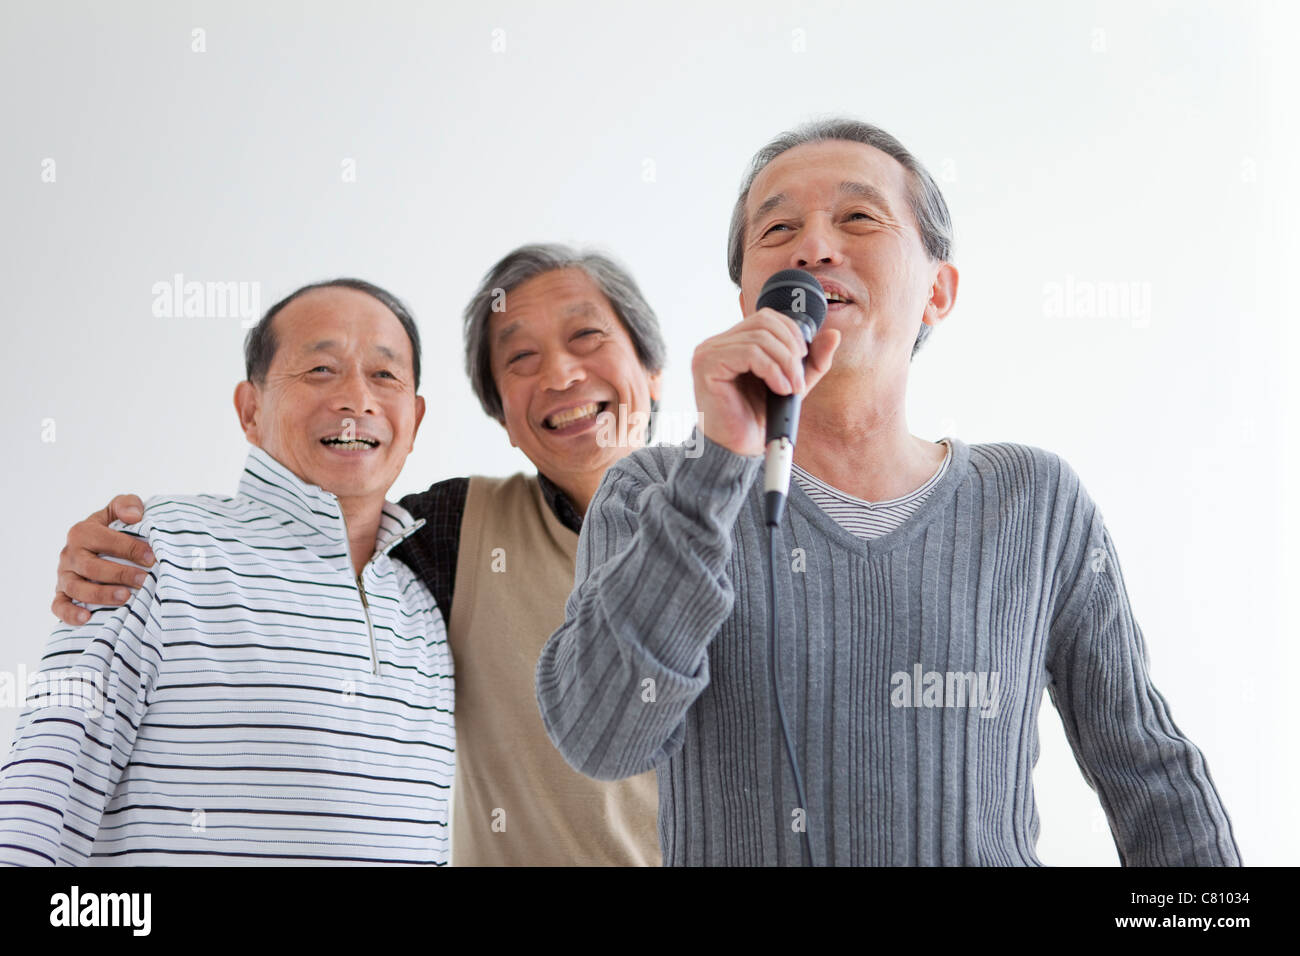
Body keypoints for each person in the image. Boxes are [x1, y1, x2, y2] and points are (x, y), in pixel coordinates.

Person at [535, 118, 1242, 866]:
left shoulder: (1036, 503)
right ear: (748, 295)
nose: (813, 247)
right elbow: (603, 737)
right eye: (777, 228)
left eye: (858, 217)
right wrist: (718, 466)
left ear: (939, 291)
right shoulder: (651, 491)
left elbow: (1149, 771)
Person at [48, 245, 667, 866]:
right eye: (521, 358)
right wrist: (121, 546)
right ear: (502, 413)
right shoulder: (455, 533)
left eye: (587, 336)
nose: (560, 375)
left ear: (653, 371)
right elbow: (331, 523)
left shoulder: (753, 527)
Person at [2, 279, 454, 865]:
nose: (357, 399)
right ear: (251, 408)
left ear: (415, 418)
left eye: (385, 375)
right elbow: (41, 801)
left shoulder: (425, 606)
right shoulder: (154, 549)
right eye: (321, 369)